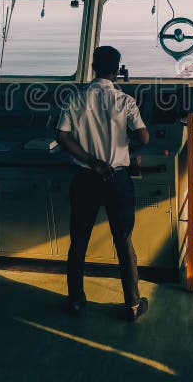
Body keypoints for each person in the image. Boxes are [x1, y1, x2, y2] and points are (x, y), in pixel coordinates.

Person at [56, 46, 150, 321]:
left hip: (86, 178)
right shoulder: (125, 101)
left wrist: (91, 160)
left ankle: (75, 300)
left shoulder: (75, 99)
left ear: (93, 67)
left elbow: (62, 136)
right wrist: (125, 146)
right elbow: (143, 137)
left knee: (79, 241)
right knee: (123, 240)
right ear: (117, 70)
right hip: (117, 179)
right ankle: (132, 304)